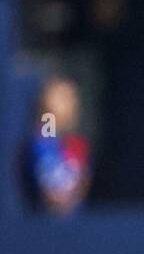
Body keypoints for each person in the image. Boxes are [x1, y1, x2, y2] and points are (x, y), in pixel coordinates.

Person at [21, 76, 91, 214]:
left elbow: (82, 181)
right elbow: (52, 190)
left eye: (72, 97)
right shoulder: (46, 134)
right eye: (63, 98)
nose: (72, 103)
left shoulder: (75, 142)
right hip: (44, 224)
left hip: (77, 223)